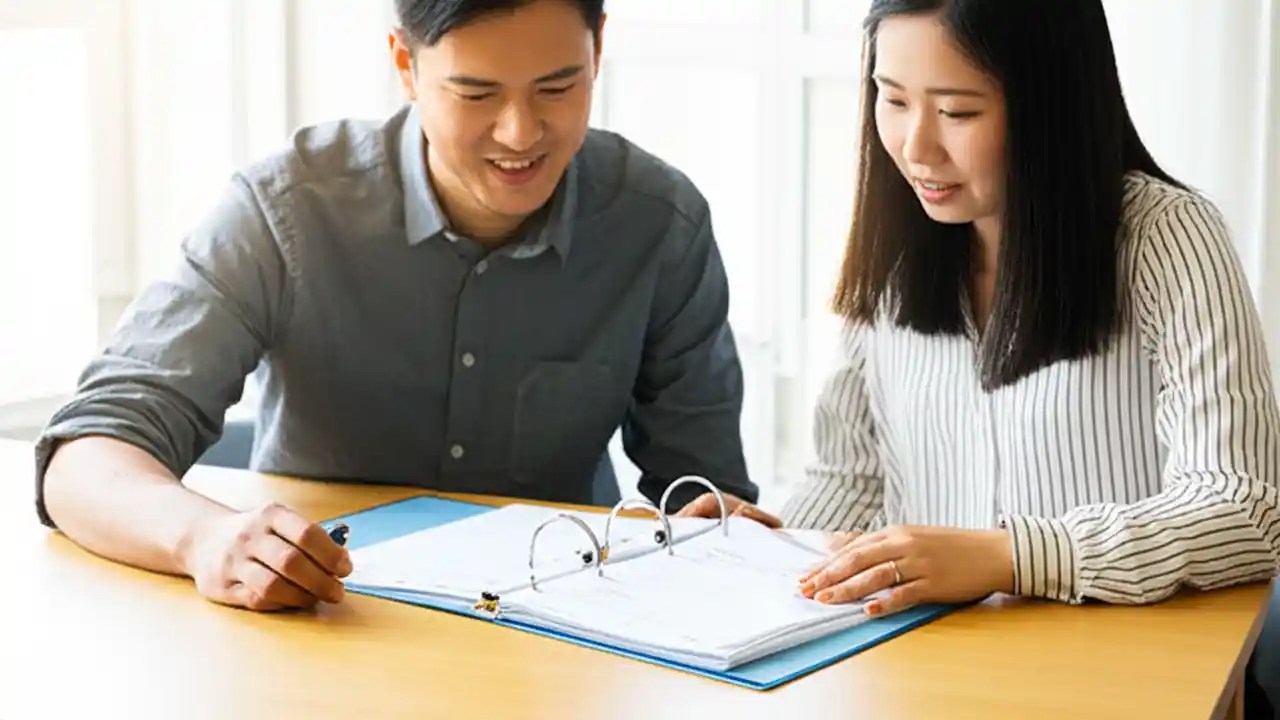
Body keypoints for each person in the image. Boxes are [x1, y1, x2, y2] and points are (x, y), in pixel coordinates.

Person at [36, 0, 757, 613]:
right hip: (317, 621)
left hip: (559, 641)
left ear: (599, 50)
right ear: (405, 65)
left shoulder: (658, 223)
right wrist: (202, 537)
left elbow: (705, 496)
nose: (519, 133)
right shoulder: (287, 210)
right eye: (476, 94)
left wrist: (722, 536)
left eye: (557, 88)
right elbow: (86, 459)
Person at [679, 0, 1280, 624]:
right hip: (934, 672)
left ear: (1051, 104)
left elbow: (1245, 511)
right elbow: (853, 484)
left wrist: (1011, 557)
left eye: (955, 111)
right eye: (892, 99)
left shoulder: (1166, 237)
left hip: (1126, 672)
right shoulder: (895, 250)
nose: (917, 148)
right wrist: (765, 545)